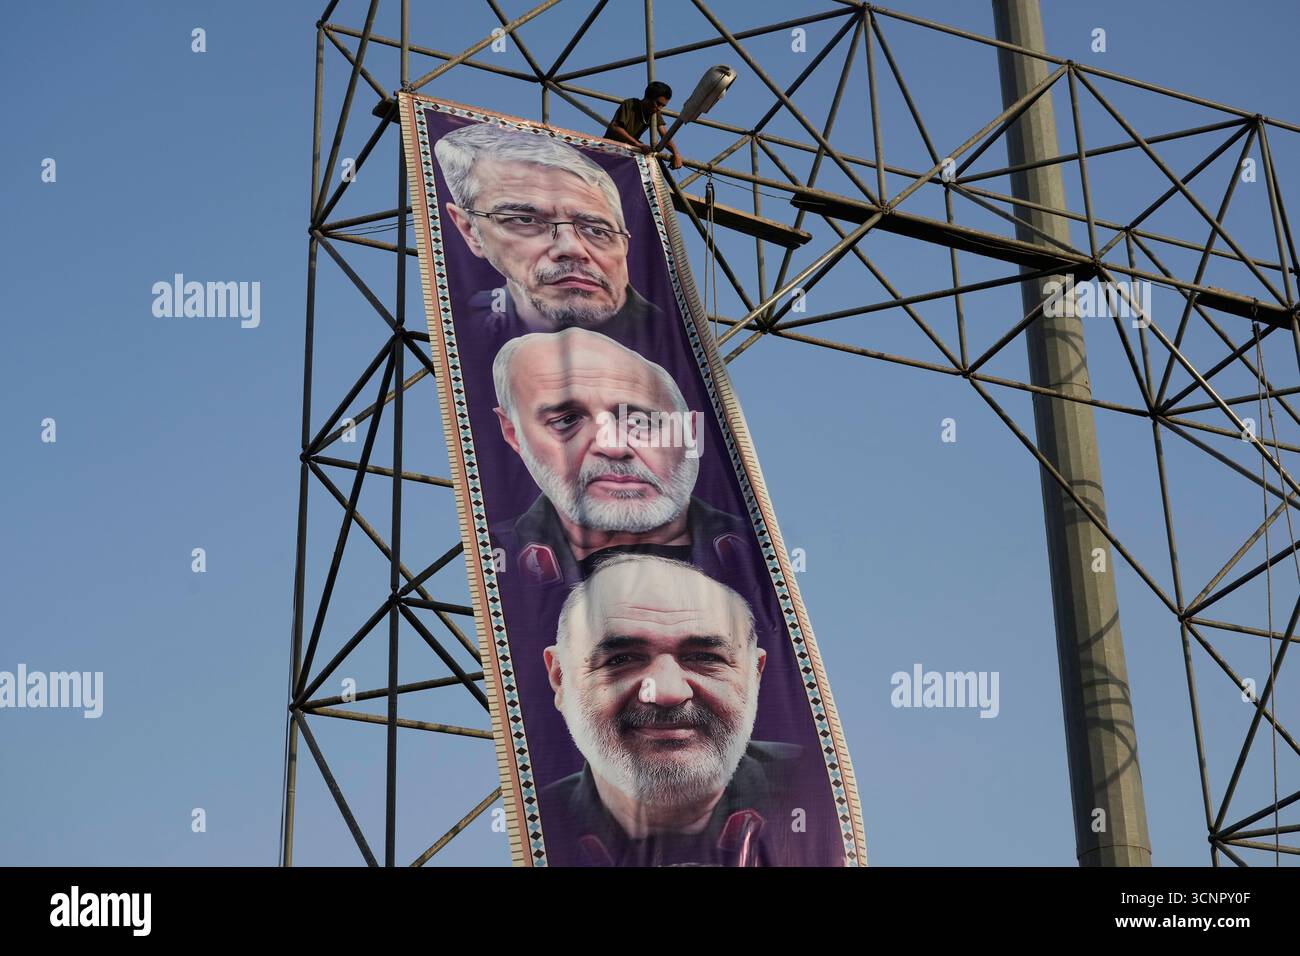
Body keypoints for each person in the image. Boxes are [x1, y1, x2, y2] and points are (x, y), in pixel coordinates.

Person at [540, 554, 805, 866]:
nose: (667, 693)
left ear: (755, 675)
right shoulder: (537, 821)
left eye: (705, 658)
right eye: (622, 660)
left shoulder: (817, 789)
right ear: (560, 677)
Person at [490, 328, 748, 587]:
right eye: (567, 420)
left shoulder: (756, 551)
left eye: (639, 421)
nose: (612, 447)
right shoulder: (493, 559)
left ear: (692, 432)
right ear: (514, 434)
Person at [435, 122, 661, 338]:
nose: (572, 248)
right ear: (469, 230)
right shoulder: (468, 322)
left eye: (596, 229)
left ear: (624, 243)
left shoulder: (672, 339)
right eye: (525, 220)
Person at [604, 81, 684, 171]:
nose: (659, 108)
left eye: (663, 106)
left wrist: (676, 153)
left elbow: (664, 134)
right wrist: (638, 144)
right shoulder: (631, 104)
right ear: (648, 98)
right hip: (609, 149)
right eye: (658, 103)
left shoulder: (655, 113)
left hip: (626, 152)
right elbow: (615, 127)